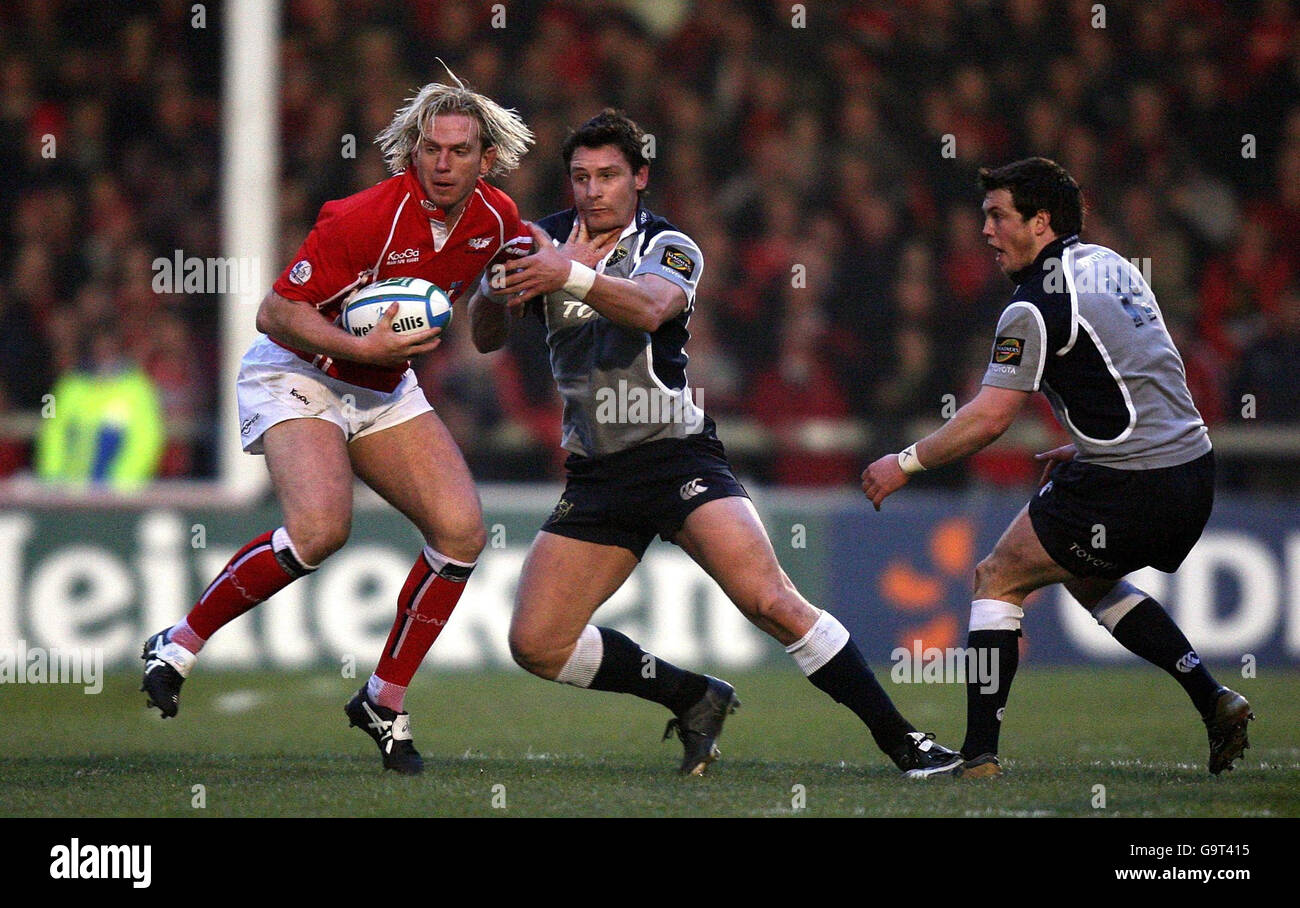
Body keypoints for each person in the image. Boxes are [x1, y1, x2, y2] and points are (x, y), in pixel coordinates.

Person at [469, 109, 962, 777]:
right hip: (597, 474)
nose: (593, 190)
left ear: (640, 178)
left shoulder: (671, 245)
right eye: (581, 177)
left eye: (609, 175)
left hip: (677, 458)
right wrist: (498, 292)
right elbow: (485, 336)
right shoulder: (542, 241)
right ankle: (692, 695)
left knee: (771, 602)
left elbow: (648, 307)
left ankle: (905, 741)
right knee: (537, 642)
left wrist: (570, 277)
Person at [140, 79, 535, 775]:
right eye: (431, 148)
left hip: (381, 385)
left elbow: (486, 337)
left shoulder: (497, 222)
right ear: (413, 151)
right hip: (298, 372)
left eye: (460, 151)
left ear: (488, 157)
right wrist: (365, 350)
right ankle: (179, 641)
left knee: (462, 532)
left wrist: (499, 298)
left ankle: (384, 697)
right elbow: (274, 312)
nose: (443, 163)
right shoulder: (361, 217)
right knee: (322, 530)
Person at [862, 157, 1254, 777]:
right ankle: (1213, 698)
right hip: (1189, 469)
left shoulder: (1034, 305)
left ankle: (979, 756)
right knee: (1088, 578)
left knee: (997, 577)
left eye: (998, 216)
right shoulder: (1112, 265)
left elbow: (990, 418)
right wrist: (1091, 442)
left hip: (1133, 482)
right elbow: (1148, 370)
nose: (986, 230)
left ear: (1039, 222)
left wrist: (905, 462)